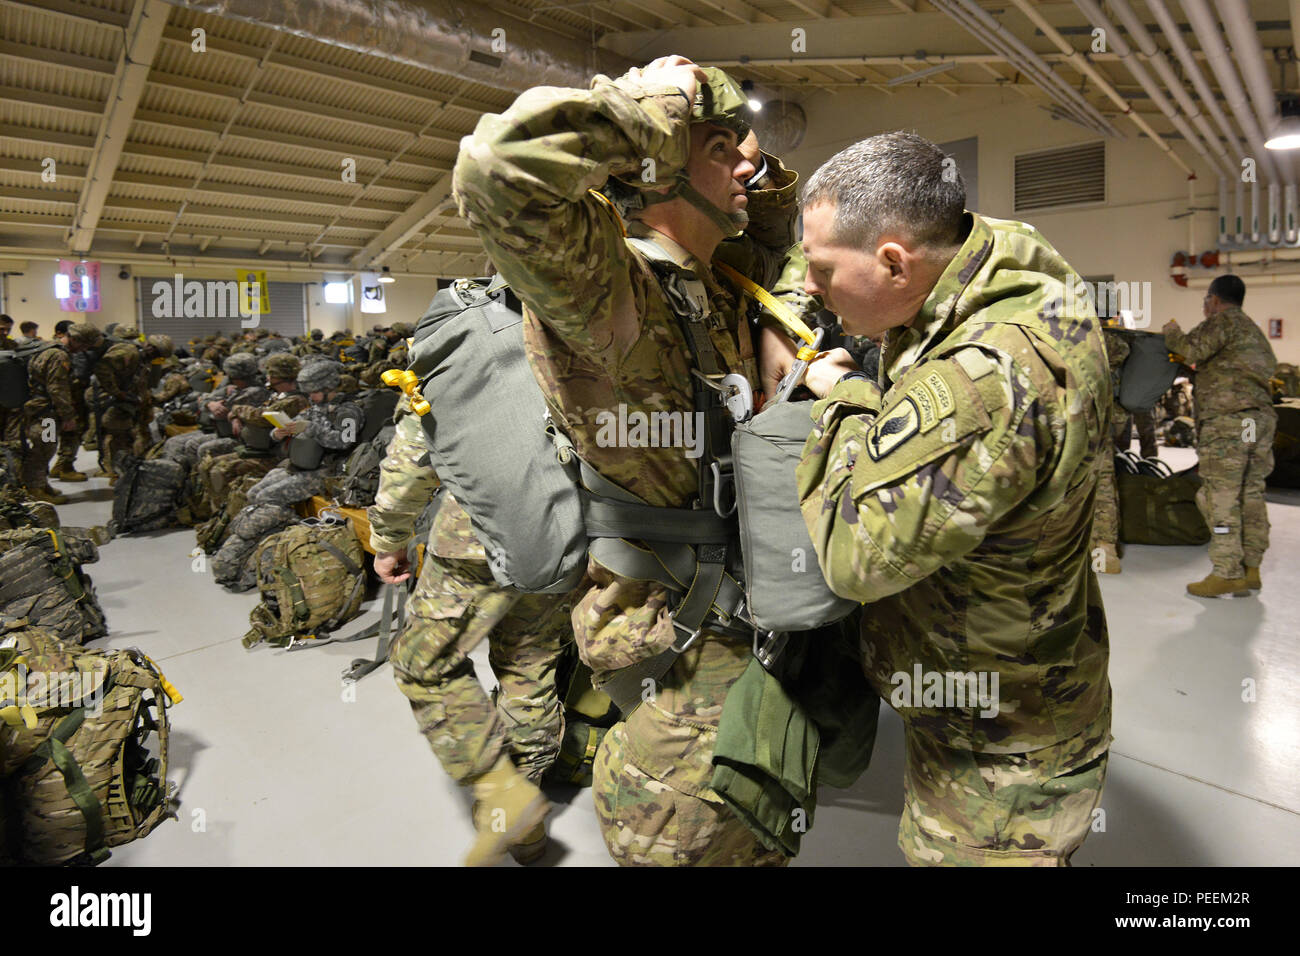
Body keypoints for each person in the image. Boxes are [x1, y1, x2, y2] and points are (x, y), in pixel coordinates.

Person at [454, 56, 816, 866]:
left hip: (750, 629)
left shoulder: (720, 282)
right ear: (657, 163)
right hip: (680, 649)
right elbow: (496, 169)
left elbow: (781, 244)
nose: (751, 166)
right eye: (724, 148)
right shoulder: (610, 286)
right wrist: (657, 109)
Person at [794, 131, 1112, 866]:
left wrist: (841, 400)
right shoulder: (1007, 266)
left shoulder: (983, 385)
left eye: (818, 270)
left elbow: (853, 555)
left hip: (999, 753)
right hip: (1012, 676)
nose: (810, 287)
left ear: (895, 261)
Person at [370, 399, 576, 866]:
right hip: (567, 535)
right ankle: (526, 833)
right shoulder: (589, 329)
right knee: (529, 671)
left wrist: (388, 538)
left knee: (422, 663)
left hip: (478, 538)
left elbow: (414, 453)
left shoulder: (458, 331)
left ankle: (503, 794)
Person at [1163, 274, 1277, 596]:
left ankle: (1226, 570)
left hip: (1228, 421)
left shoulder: (1223, 322)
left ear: (1213, 300)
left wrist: (1171, 329)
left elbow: (1188, 348)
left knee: (1220, 494)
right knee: (1250, 491)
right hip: (1254, 423)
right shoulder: (1252, 331)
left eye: (1205, 302)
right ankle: (1251, 569)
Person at [21, 323, 100, 502]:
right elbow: (57, 389)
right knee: (44, 447)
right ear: (76, 340)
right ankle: (35, 488)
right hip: (46, 412)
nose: (84, 350)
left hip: (42, 408)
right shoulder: (59, 355)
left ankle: (41, 483)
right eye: (84, 345)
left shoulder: (47, 347)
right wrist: (68, 416)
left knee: (45, 446)